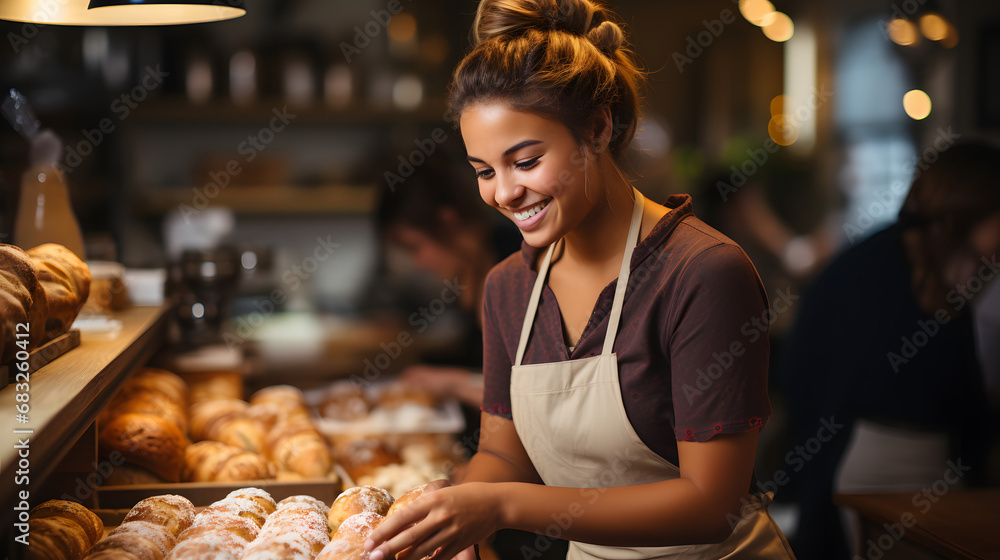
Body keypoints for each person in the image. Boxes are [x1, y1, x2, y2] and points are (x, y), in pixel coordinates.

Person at [365, 1, 796, 559]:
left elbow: (709, 505)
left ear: (597, 127)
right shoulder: (508, 288)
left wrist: (499, 507)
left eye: (525, 161)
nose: (504, 193)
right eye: (484, 171)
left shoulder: (703, 274)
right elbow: (505, 457)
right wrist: (458, 513)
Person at [777, 140, 999, 559]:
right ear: (971, 207)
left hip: (913, 481)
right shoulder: (879, 276)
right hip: (869, 482)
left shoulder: (932, 267)